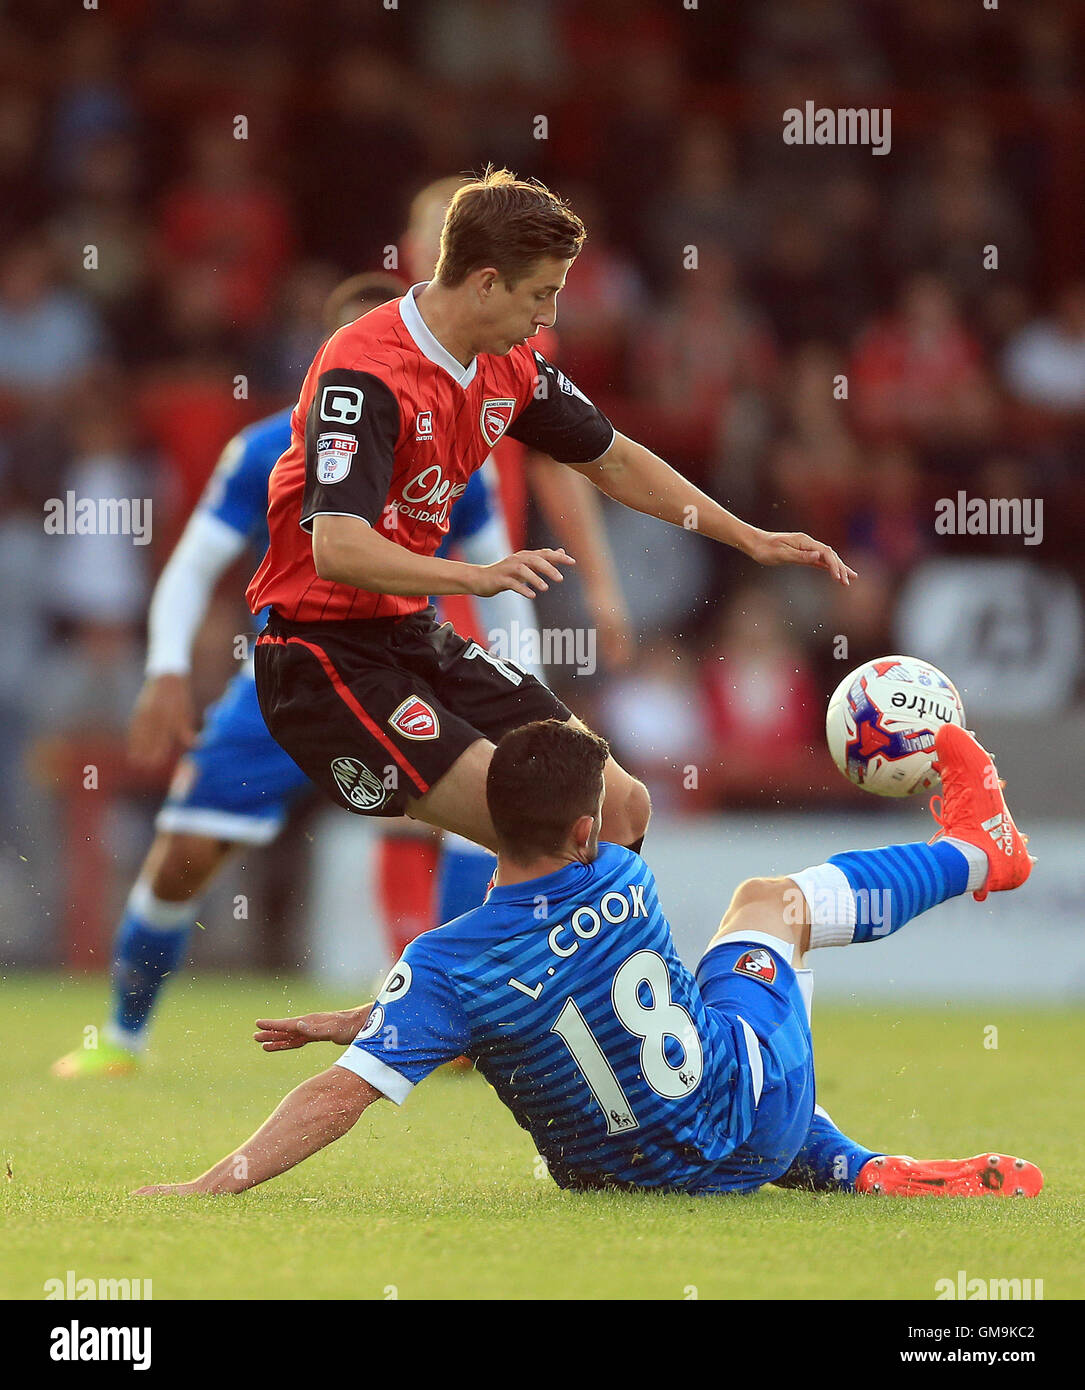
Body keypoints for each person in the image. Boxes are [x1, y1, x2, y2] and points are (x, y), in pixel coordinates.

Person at [134, 719, 1041, 1201]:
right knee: (770, 906)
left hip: (619, 1177)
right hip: (748, 1123)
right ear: (583, 830)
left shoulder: (445, 966)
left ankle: (852, 1166)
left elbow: (344, 1094)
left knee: (697, 1029)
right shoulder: (622, 878)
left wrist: (210, 1183)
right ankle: (979, 849)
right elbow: (622, 820)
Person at [246, 168, 856, 858]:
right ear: (484, 283)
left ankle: (575, 966)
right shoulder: (365, 367)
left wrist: (748, 537)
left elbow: (616, 461)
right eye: (541, 294)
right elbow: (337, 548)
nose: (551, 317)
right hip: (320, 655)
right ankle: (446, 973)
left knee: (620, 807)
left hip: (411, 636)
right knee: (539, 824)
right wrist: (473, 578)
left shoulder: (511, 366)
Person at [51, 273, 536, 1077]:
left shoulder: (457, 446)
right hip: (290, 677)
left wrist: (519, 689)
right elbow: (192, 563)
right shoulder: (264, 446)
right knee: (182, 856)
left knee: (483, 817)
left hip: (403, 666)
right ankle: (124, 1036)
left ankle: (457, 1038)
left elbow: (504, 579)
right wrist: (167, 668)